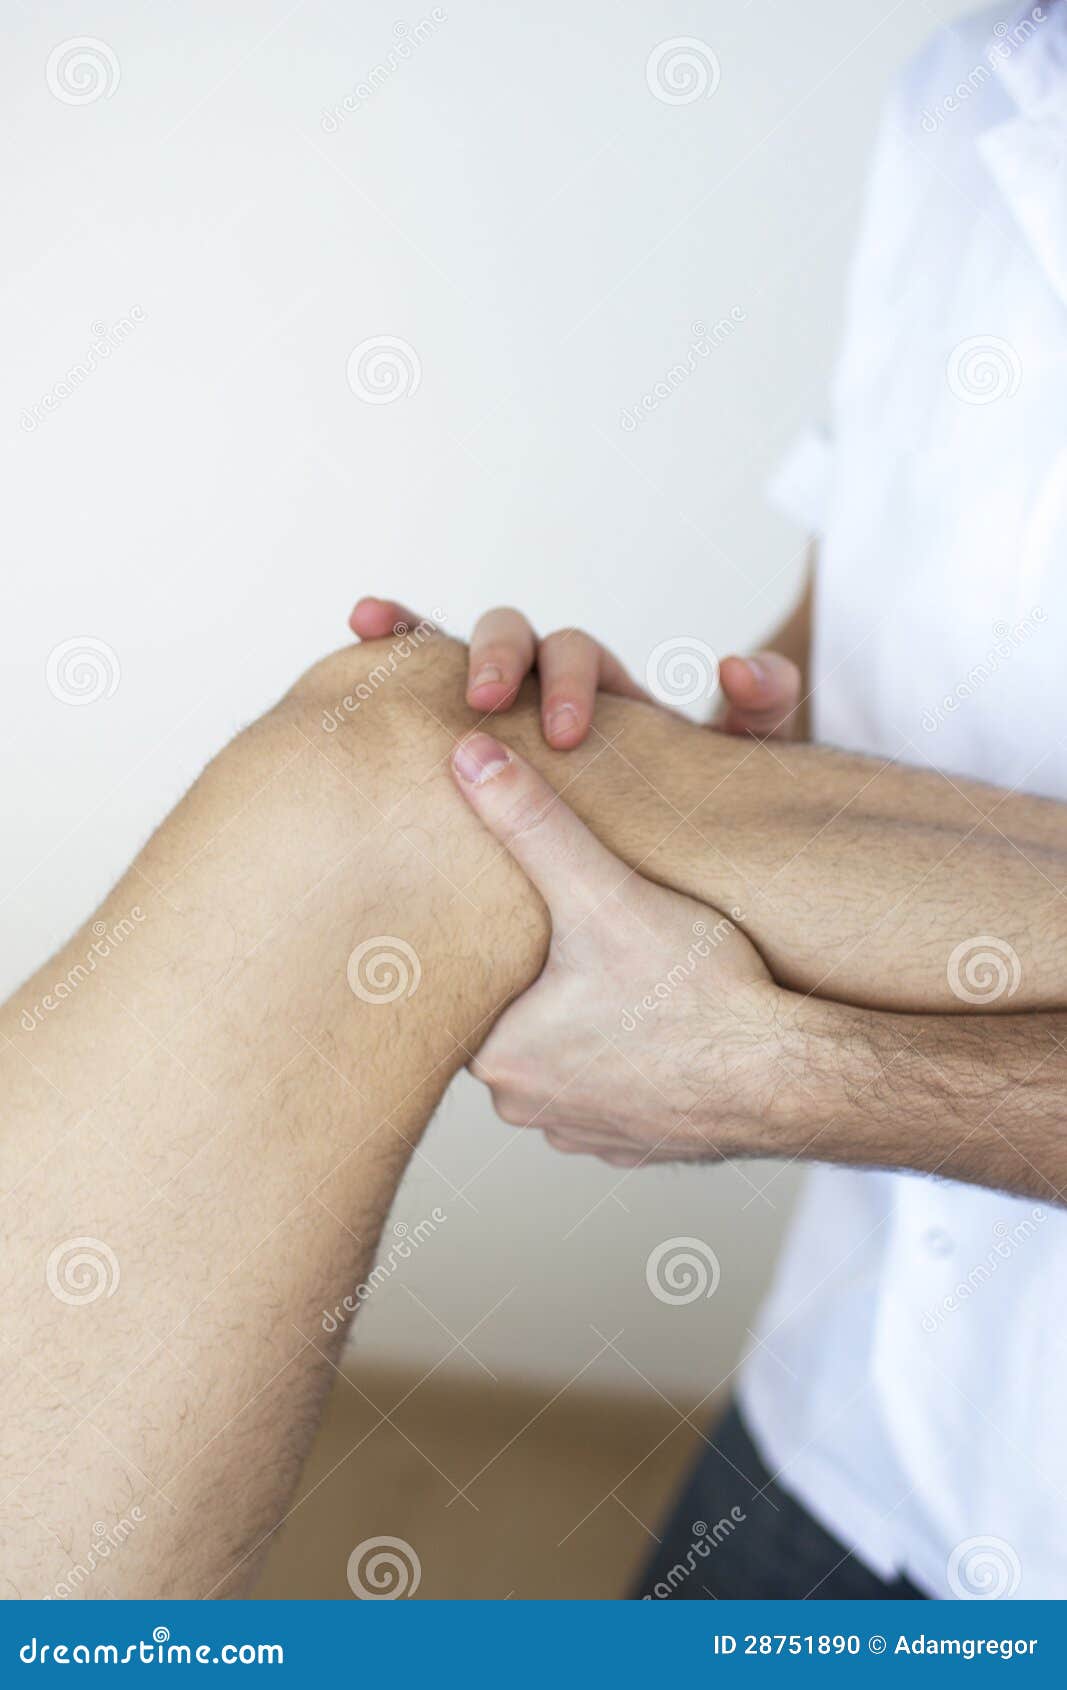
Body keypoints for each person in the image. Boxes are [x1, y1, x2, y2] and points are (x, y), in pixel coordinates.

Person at [354, 0, 1067, 1601]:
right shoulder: (966, 95)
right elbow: (848, 622)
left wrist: (806, 1076)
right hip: (854, 1404)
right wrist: (682, 777)